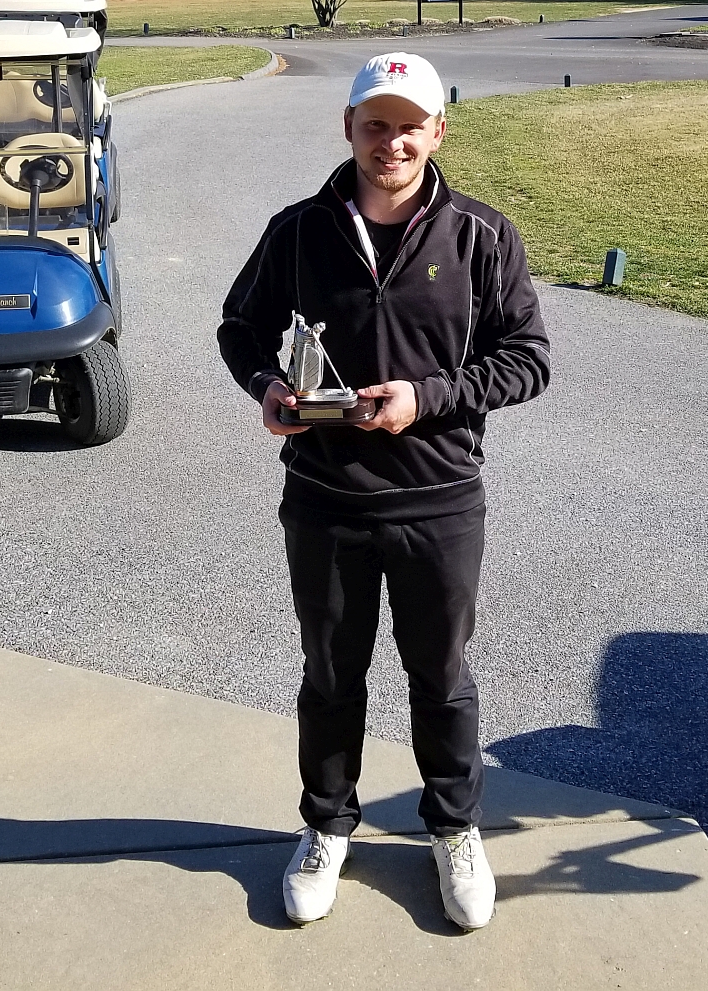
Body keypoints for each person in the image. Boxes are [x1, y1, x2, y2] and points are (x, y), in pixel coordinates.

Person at [217, 53, 551, 931]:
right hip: (325, 497)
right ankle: (327, 826)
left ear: (438, 131)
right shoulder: (298, 231)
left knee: (440, 677)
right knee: (331, 676)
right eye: (375, 124)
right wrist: (268, 389)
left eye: (410, 125)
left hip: (439, 498)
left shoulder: (483, 236)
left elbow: (528, 360)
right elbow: (239, 324)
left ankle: (454, 830)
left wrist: (425, 398)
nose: (391, 141)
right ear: (349, 128)